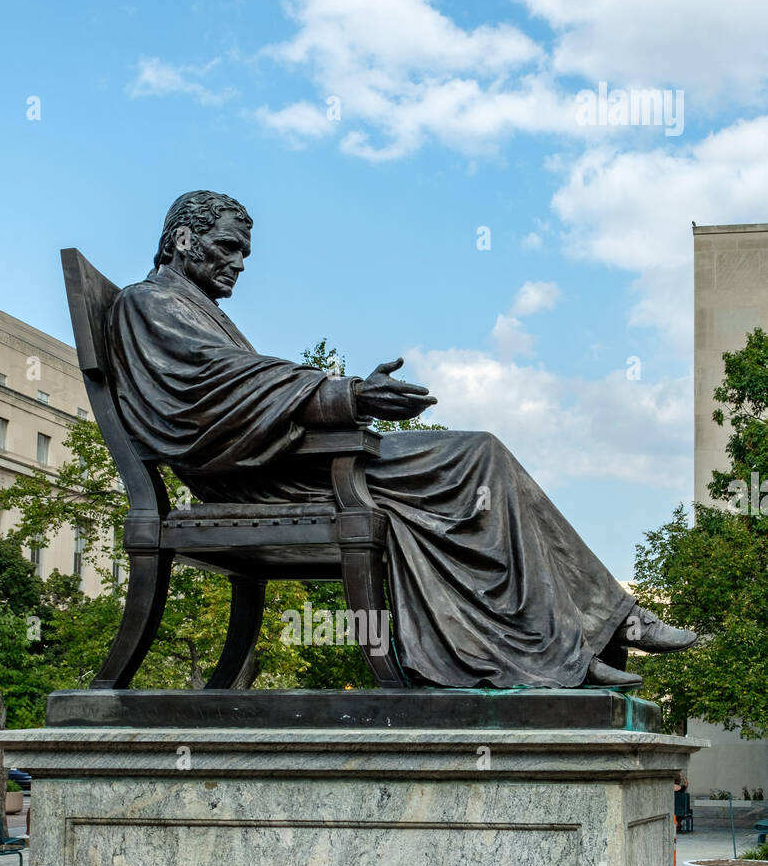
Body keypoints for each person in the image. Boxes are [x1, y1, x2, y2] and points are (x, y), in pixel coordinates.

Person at [107, 190, 697, 690]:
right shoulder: (147, 302)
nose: (238, 264)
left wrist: (341, 397)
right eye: (228, 248)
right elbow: (215, 393)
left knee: (480, 459)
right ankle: (565, 645)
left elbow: (247, 386)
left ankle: (592, 630)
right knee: (477, 456)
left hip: (288, 458)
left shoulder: (194, 308)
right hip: (264, 472)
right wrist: (350, 395)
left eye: (244, 253)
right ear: (184, 239)